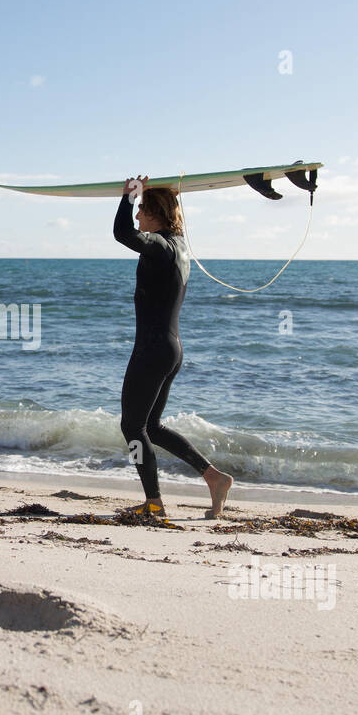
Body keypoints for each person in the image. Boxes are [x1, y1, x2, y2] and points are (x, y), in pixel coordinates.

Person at [114, 175, 233, 519]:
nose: (137, 217)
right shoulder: (179, 247)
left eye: (141, 211)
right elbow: (146, 229)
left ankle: (153, 503)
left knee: (132, 427)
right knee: (151, 427)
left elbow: (123, 234)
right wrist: (163, 195)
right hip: (170, 350)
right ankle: (214, 477)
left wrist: (127, 196)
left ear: (156, 215)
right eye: (135, 210)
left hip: (152, 350)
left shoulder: (163, 246)